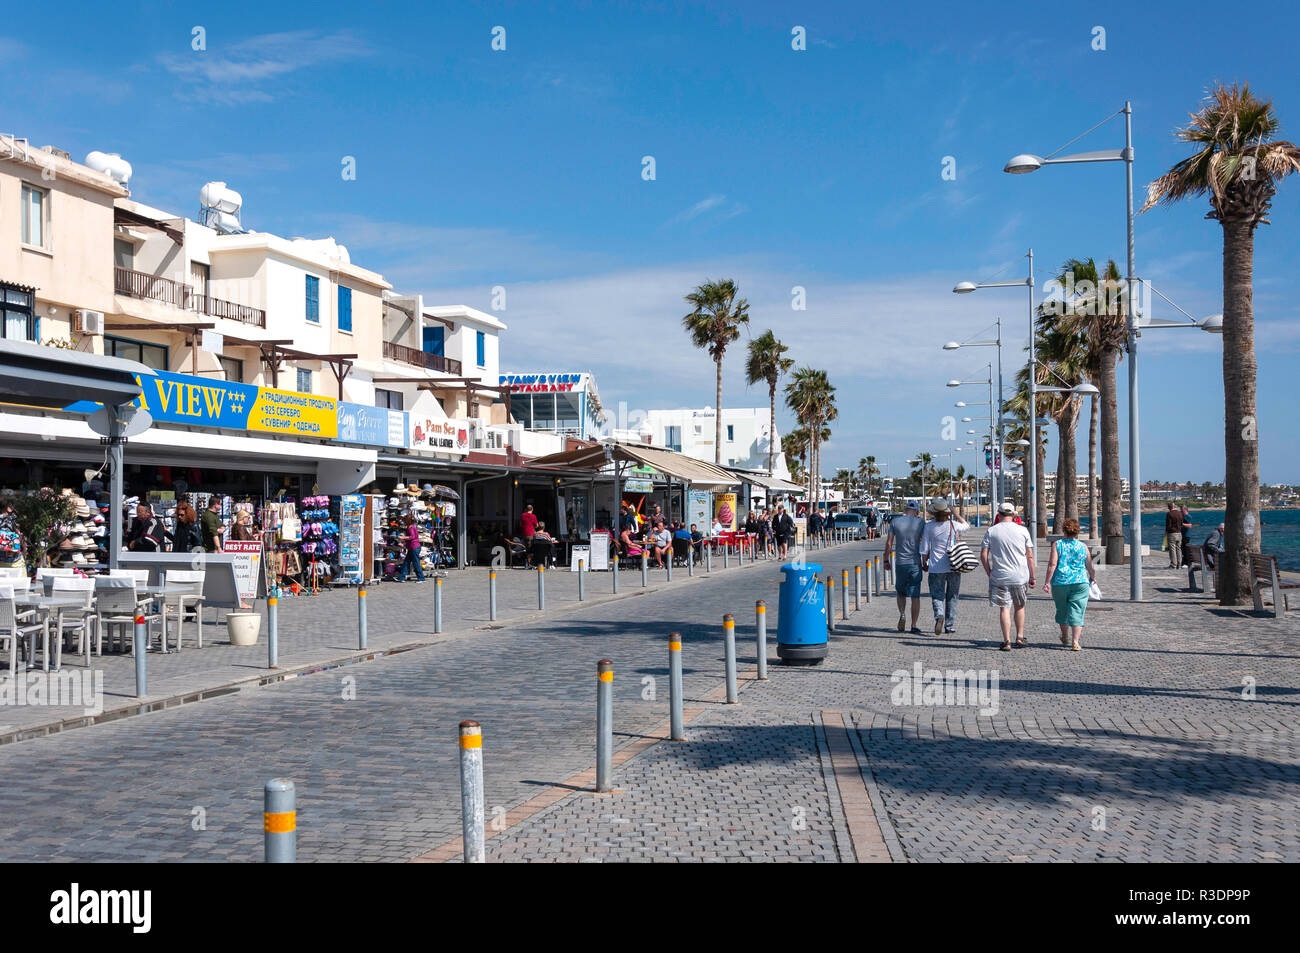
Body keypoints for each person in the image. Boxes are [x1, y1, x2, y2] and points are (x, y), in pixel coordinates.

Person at [981, 503, 1036, 651]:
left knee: (1004, 608)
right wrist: (1033, 576)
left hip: (999, 576)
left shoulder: (991, 531)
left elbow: (983, 555)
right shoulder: (1023, 530)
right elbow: (1029, 555)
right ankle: (1019, 636)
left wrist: (989, 572)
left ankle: (1006, 641)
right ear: (1014, 514)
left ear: (998, 514)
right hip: (1020, 576)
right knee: (1019, 606)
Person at [1043, 516, 1095, 651]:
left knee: (1062, 610)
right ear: (1077, 532)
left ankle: (1065, 636)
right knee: (1077, 610)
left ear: (1064, 530)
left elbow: (1052, 564)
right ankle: (1075, 641)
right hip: (1080, 582)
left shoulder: (1058, 544)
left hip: (1060, 581)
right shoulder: (1083, 546)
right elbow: (1089, 565)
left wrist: (1047, 582)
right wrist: (1092, 578)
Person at [920, 499, 970, 635]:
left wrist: (924, 563)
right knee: (952, 595)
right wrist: (956, 514)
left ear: (934, 513)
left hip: (936, 566)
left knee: (937, 594)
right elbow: (966, 526)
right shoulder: (953, 524)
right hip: (954, 565)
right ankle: (949, 625)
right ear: (947, 513)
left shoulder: (929, 527)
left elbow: (924, 548)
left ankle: (939, 615)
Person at [884, 500, 926, 634]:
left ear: (905, 509)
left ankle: (902, 614)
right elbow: (924, 543)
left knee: (901, 592)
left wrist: (886, 560)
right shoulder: (920, 523)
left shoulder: (895, 522)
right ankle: (914, 625)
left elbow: (889, 543)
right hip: (915, 563)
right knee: (915, 595)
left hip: (900, 563)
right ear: (916, 511)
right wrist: (926, 562)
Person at [400, 516, 425, 582]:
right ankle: (402, 577)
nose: (403, 522)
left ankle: (421, 578)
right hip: (412, 547)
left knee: (416, 563)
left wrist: (403, 537)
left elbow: (412, 537)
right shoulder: (411, 527)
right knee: (406, 562)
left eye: (404, 521)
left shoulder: (411, 528)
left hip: (414, 547)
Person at [1164, 502, 1183, 569]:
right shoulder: (1180, 513)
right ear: (1174, 506)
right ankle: (1179, 564)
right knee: (1179, 549)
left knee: (1172, 549)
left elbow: (1168, 525)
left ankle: (1173, 564)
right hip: (1179, 533)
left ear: (1169, 507)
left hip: (1172, 533)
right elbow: (1181, 523)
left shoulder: (1169, 514)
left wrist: (1166, 532)